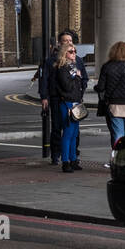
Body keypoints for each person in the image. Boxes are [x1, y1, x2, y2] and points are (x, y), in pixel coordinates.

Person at [40, 30, 87, 164]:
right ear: (60, 44)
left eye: (70, 41)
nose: (68, 43)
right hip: (57, 98)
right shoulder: (52, 62)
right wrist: (44, 96)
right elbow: (45, 80)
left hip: (74, 99)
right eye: (65, 41)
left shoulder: (77, 60)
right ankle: (56, 155)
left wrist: (80, 91)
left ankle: (73, 155)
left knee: (74, 130)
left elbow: (84, 78)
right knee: (57, 128)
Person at [94, 41, 125, 164]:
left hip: (114, 104)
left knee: (118, 133)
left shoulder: (107, 67)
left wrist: (97, 88)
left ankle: (116, 159)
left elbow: (100, 87)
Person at [49, 43, 87, 172]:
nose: (74, 53)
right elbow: (67, 86)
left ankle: (73, 160)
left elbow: (79, 85)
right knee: (68, 133)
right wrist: (77, 76)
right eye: (71, 51)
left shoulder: (72, 66)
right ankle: (65, 162)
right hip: (67, 103)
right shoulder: (62, 68)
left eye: (75, 51)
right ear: (65, 53)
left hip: (75, 102)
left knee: (74, 134)